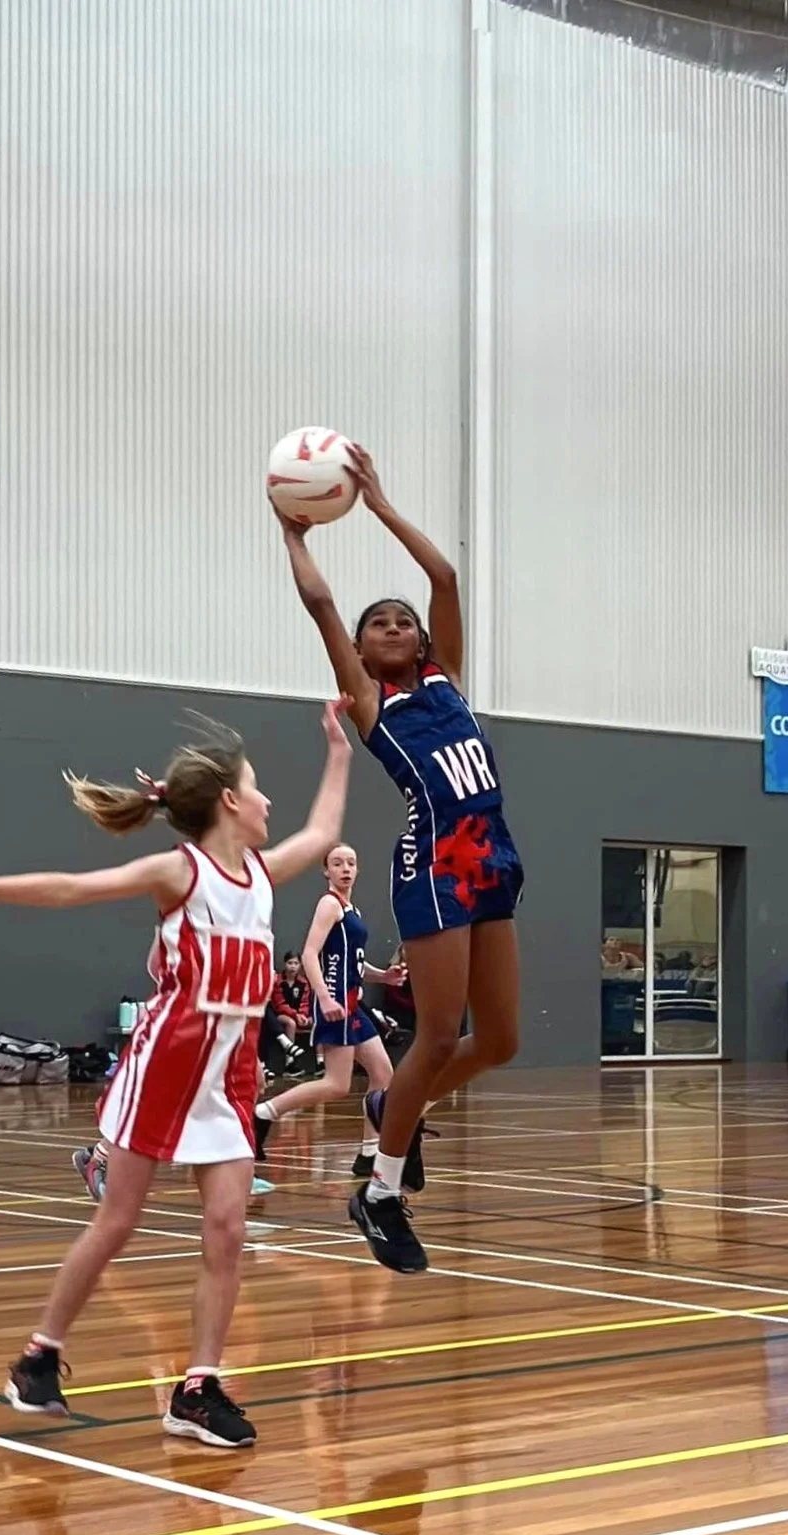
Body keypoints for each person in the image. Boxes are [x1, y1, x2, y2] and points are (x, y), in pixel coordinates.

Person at [0, 700, 353, 1447]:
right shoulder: (180, 872)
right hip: (164, 1067)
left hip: (228, 1080)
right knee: (118, 1221)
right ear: (231, 804)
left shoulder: (265, 877)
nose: (271, 800)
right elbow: (71, 889)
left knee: (229, 1229)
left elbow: (323, 830)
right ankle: (37, 1357)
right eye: (259, 786)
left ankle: (198, 1389)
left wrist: (338, 748)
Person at [276, 444, 522, 1275]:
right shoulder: (376, 707)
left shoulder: (446, 678)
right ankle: (381, 1188)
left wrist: (379, 503)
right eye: (379, 623)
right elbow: (320, 605)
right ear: (363, 651)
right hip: (434, 863)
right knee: (440, 1032)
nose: (396, 625)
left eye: (403, 620)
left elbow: (445, 578)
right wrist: (294, 534)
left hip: (493, 855)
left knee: (501, 1042)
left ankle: (390, 1104)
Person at [253, 842, 406, 1180]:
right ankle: (264, 1113)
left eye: (351, 862)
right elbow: (310, 955)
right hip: (335, 1007)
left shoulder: (354, 912)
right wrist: (323, 998)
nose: (345, 868)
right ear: (326, 871)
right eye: (337, 863)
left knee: (383, 1074)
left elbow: (356, 964)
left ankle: (368, 1153)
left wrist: (385, 976)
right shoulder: (329, 904)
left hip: (352, 1005)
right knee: (337, 1085)